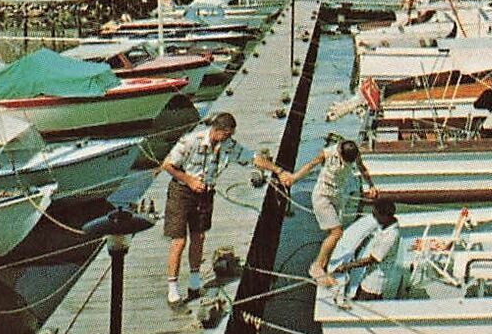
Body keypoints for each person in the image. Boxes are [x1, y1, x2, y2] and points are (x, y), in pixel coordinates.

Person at [161, 111, 294, 306]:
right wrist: (189, 180)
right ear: (215, 130)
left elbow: (252, 158)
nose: (229, 138)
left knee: (199, 237)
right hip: (181, 192)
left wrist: (278, 170)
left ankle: (194, 281)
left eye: (231, 135)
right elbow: (168, 165)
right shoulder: (190, 141)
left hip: (205, 194)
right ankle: (172, 290)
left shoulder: (227, 145)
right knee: (179, 241)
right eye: (226, 134)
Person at [292, 138, 376, 285]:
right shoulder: (328, 153)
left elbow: (362, 168)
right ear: (339, 152)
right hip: (322, 196)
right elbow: (311, 165)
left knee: (332, 233)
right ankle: (316, 267)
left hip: (337, 196)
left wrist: (371, 185)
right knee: (336, 232)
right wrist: (294, 178)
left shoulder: (354, 155)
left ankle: (324, 261)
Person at [329, 198, 400, 300]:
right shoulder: (385, 226)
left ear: (385, 216)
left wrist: (347, 266)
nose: (374, 217)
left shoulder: (390, 236)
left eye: (375, 215)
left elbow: (372, 259)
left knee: (364, 303)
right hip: (368, 278)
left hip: (375, 282)